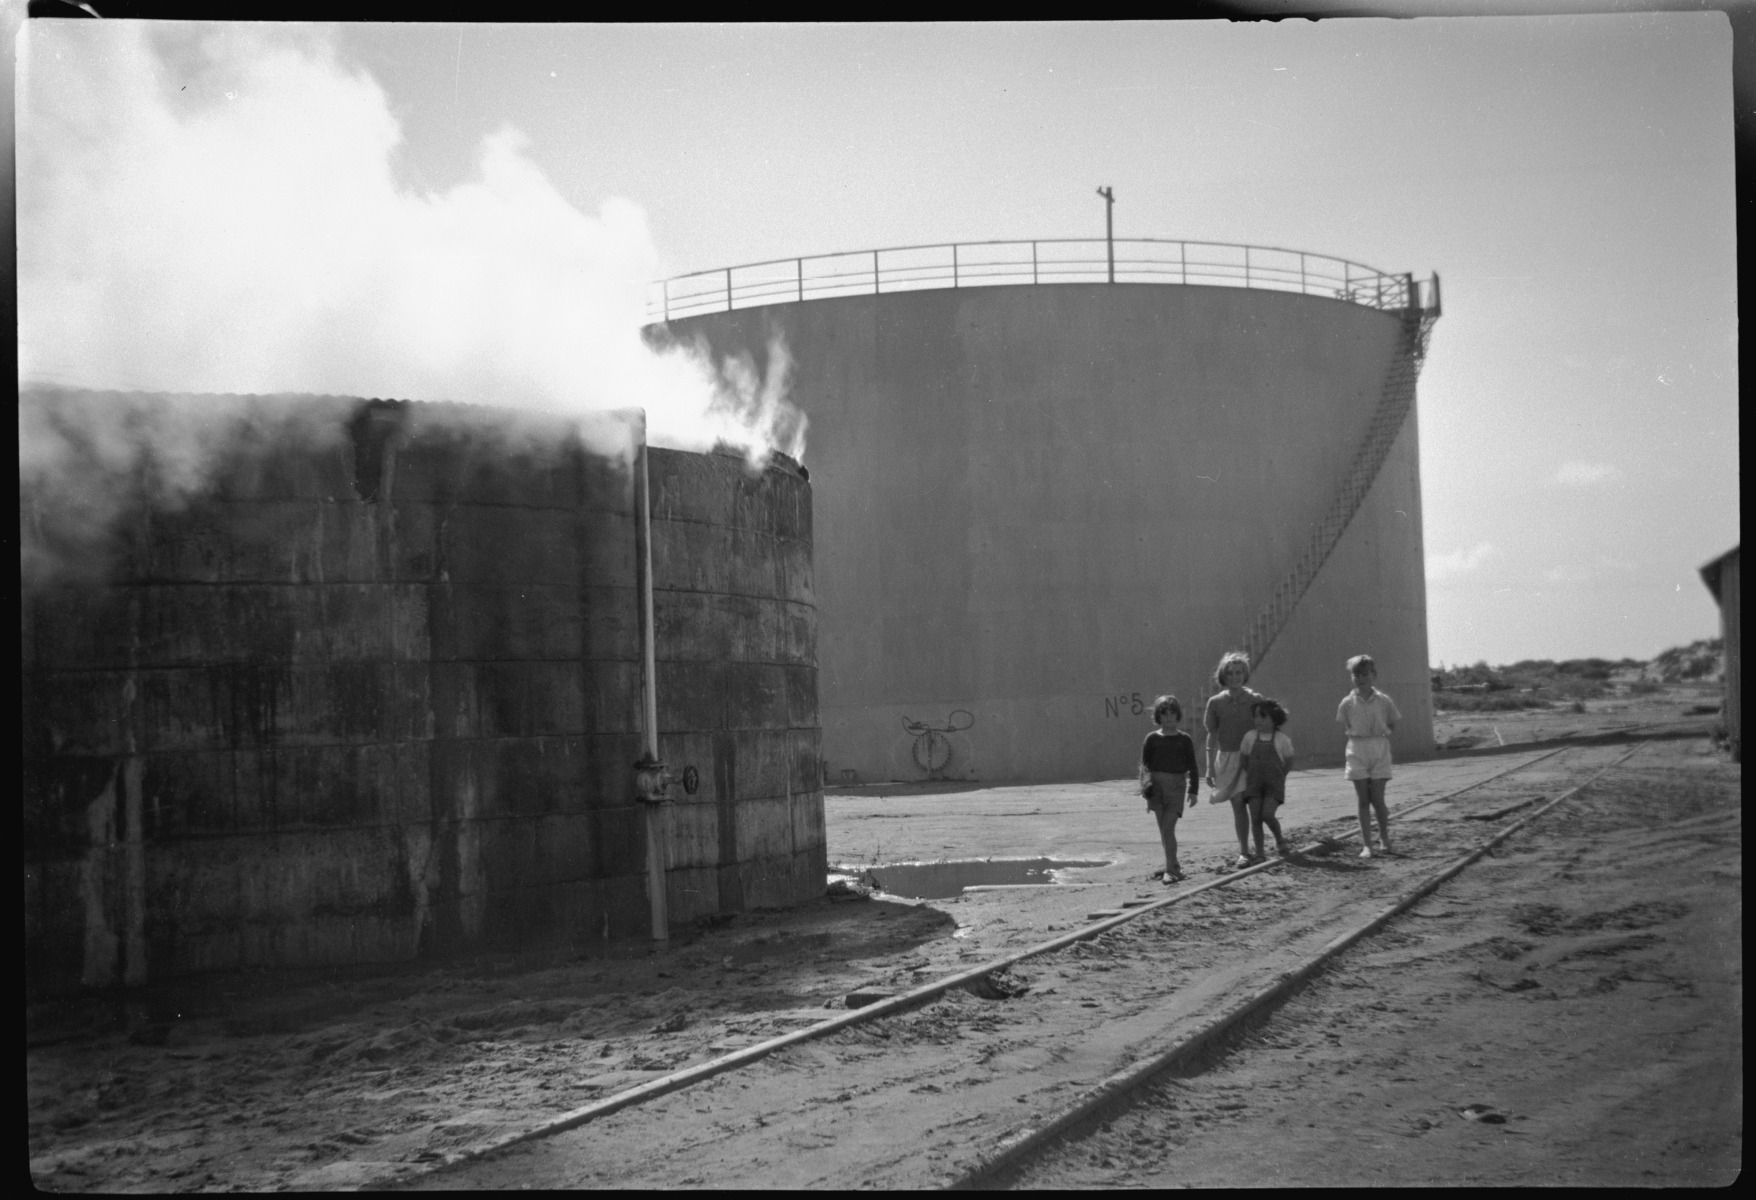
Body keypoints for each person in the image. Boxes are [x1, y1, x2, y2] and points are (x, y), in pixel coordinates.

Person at [1337, 654, 1403, 858]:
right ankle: (1367, 845)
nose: (1360, 678)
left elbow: (1392, 722)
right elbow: (1345, 723)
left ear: (1373, 675)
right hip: (1357, 748)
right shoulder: (1347, 703)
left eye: (1365, 674)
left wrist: (1383, 734)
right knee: (1363, 799)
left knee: (1377, 798)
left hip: (1379, 748)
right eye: (1356, 674)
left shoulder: (1384, 701)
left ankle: (1384, 837)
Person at [1204, 650, 1263, 866]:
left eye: (1239, 672)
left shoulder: (1255, 700)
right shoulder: (1216, 703)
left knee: (1256, 805)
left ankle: (1262, 850)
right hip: (1228, 759)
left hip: (1252, 758)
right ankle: (1244, 852)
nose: (1235, 677)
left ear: (1244, 674)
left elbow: (1266, 728)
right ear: (1224, 676)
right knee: (1238, 804)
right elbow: (1211, 735)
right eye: (1230, 673)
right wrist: (1209, 767)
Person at [1139, 695, 1200, 883]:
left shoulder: (1185, 740)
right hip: (1156, 788)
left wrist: (1193, 790)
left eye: (1172, 713)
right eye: (1164, 714)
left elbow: (1193, 767)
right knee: (1163, 831)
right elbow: (1144, 767)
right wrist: (1145, 789)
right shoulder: (1152, 739)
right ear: (1158, 716)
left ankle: (1170, 870)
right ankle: (1173, 866)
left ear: (1178, 715)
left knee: (1168, 828)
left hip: (1177, 788)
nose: (1169, 718)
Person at [1237, 698, 1295, 862]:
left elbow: (1289, 760)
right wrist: (1252, 775)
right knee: (1255, 818)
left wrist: (1280, 776)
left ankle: (1279, 839)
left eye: (1263, 717)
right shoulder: (1249, 737)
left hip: (1274, 786)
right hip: (1254, 784)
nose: (1258, 720)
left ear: (1274, 719)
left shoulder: (1281, 739)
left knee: (1267, 815)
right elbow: (1244, 759)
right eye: (1256, 716)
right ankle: (1260, 854)